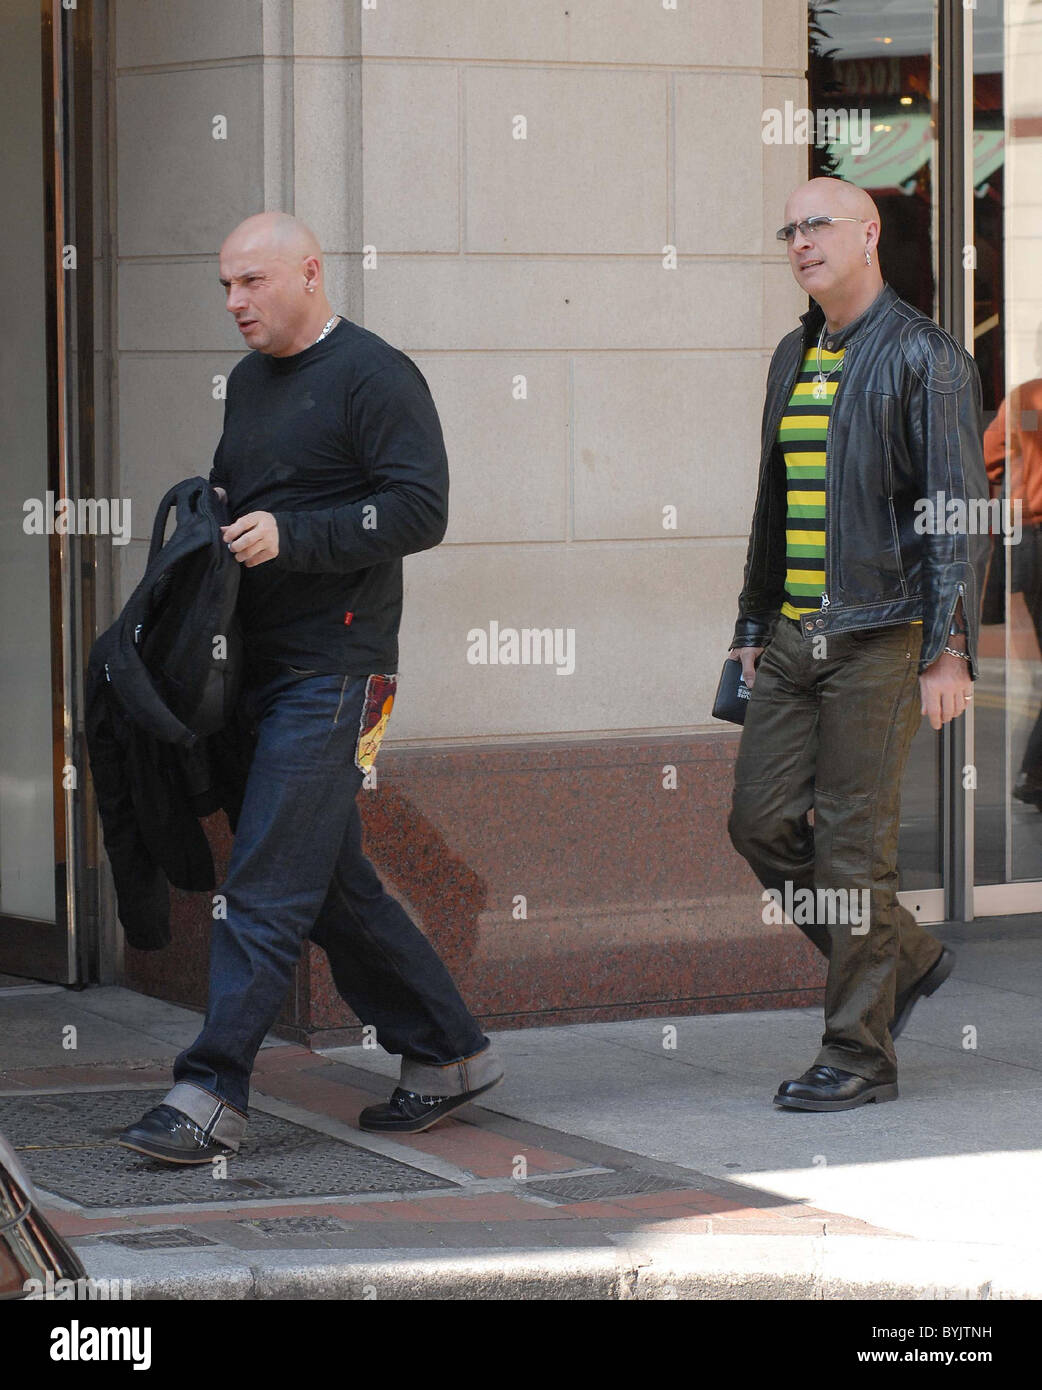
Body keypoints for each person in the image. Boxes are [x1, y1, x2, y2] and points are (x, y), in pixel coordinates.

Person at [119, 212, 502, 1165]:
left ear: (311, 274)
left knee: (266, 882)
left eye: (251, 282)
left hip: (338, 669)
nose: (235, 304)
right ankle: (447, 1051)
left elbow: (422, 508)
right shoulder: (250, 383)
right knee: (328, 882)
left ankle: (211, 1089)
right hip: (253, 666)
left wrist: (296, 536)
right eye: (225, 287)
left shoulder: (377, 374)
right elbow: (241, 490)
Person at [726, 178, 989, 1112]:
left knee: (850, 851)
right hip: (796, 635)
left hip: (884, 633)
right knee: (757, 824)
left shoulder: (928, 358)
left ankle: (859, 1052)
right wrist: (753, 627)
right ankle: (906, 956)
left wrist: (950, 648)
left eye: (818, 224)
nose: (800, 240)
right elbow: (774, 508)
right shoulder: (792, 354)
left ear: (869, 235)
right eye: (788, 227)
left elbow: (957, 514)